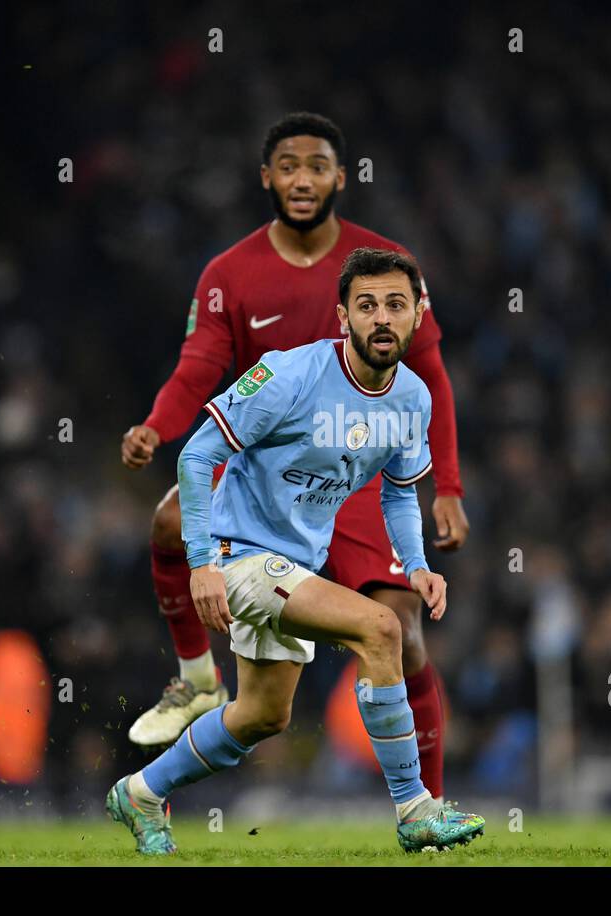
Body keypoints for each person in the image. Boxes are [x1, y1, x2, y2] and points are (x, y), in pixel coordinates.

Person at [122, 112, 467, 800]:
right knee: (167, 522)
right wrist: (159, 427)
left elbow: (431, 373)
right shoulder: (230, 273)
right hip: (265, 463)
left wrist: (447, 488)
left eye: (317, 166)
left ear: (341, 177)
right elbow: (200, 366)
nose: (302, 179)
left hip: (359, 475)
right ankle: (195, 681)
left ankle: (429, 805)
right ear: (267, 178)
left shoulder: (387, 269)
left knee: (403, 634)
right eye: (288, 166)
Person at [107, 249, 484, 854]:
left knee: (262, 716)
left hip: (291, 566)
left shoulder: (412, 398)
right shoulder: (288, 375)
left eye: (395, 305)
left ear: (417, 316)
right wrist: (202, 564)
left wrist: (417, 566)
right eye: (366, 306)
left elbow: (398, 495)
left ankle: (142, 792)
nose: (381, 318)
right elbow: (197, 455)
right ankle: (416, 809)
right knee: (381, 629)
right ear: (342, 316)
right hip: (237, 555)